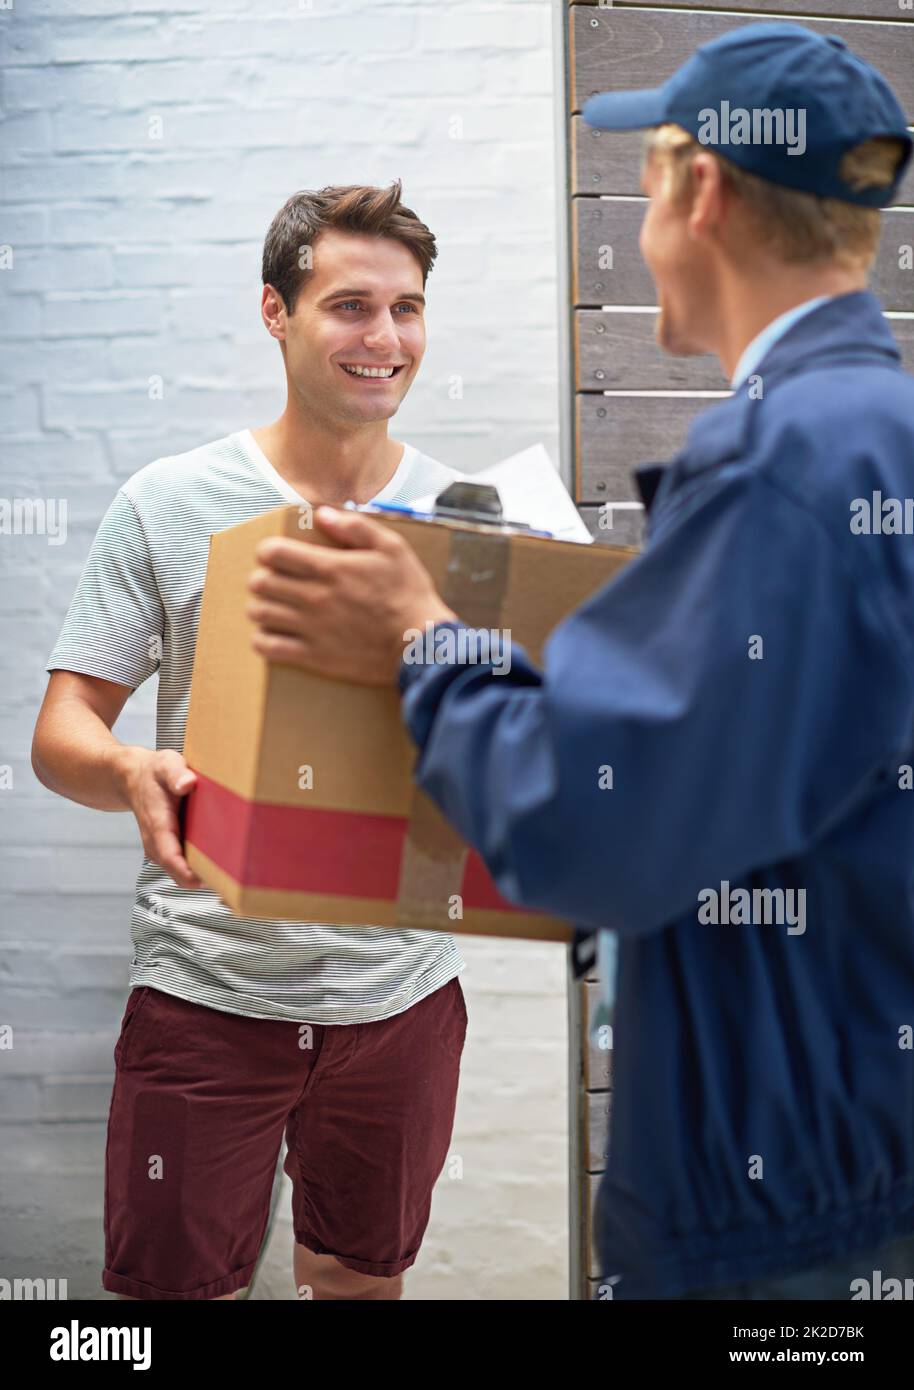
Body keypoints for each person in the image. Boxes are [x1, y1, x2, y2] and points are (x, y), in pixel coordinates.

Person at [245, 23, 914, 1300]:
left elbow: (600, 823)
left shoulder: (785, 461)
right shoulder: (869, 435)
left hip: (773, 1224)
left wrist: (422, 638)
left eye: (651, 183)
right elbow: (753, 777)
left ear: (700, 193)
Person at [32, 182, 468, 1301]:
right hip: (205, 994)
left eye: (406, 308)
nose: (384, 339)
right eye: (349, 305)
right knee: (168, 1294)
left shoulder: (470, 521)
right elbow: (62, 729)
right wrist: (131, 766)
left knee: (360, 1283)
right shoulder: (171, 502)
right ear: (275, 312)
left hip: (403, 1000)